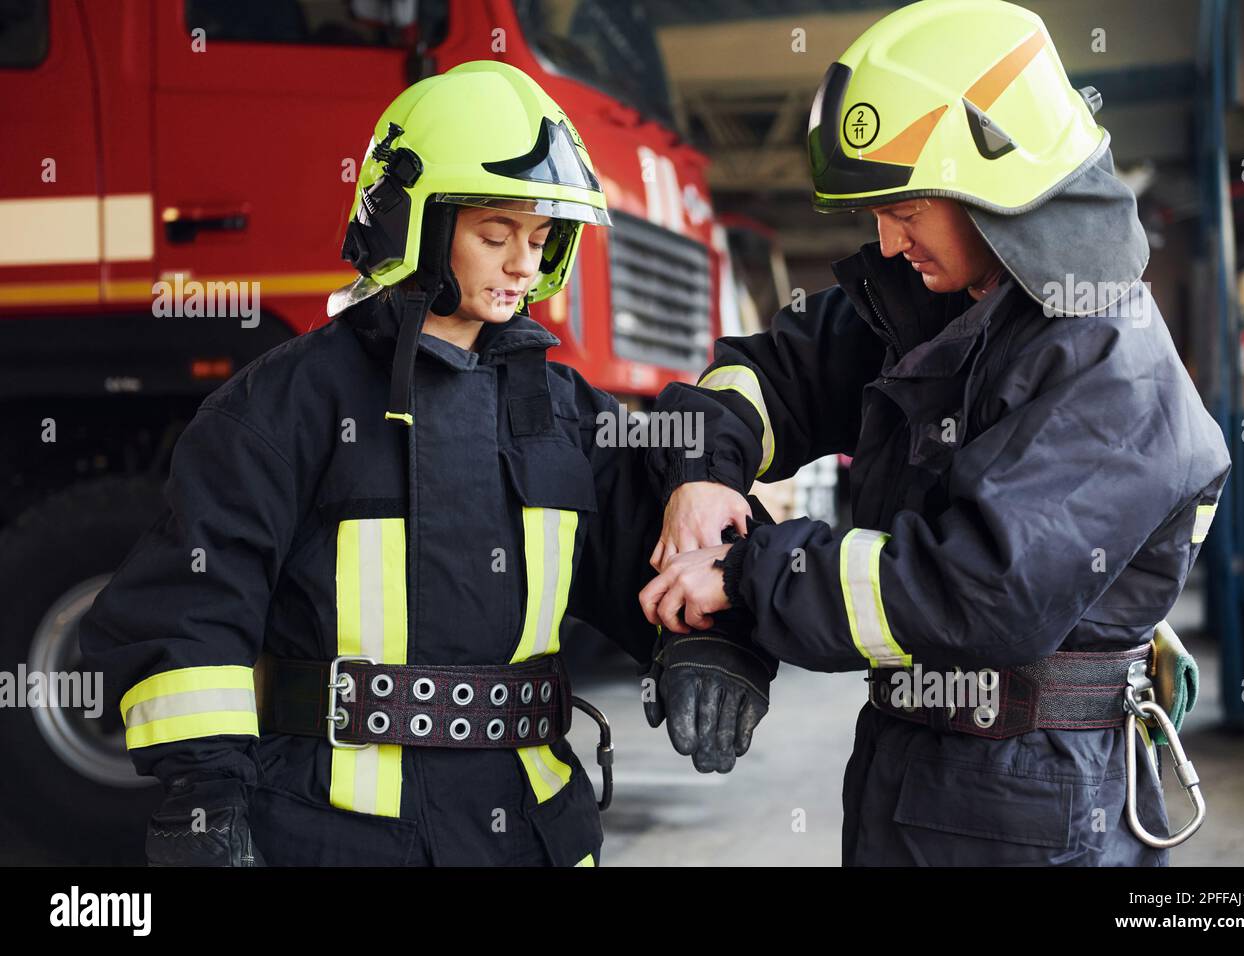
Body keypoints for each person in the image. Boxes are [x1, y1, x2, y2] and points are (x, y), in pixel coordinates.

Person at [79, 60, 771, 867]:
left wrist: (712, 646)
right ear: (411, 219)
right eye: (495, 234)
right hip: (334, 836)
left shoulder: (570, 412)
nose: (522, 264)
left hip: (538, 836)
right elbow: (189, 610)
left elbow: (662, 561)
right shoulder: (284, 405)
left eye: (541, 239)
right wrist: (204, 794)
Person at [639, 0, 1231, 865]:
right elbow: (767, 377)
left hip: (1041, 802)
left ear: (996, 182)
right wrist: (704, 473)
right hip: (909, 773)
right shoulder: (936, 307)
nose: (886, 239)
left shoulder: (1112, 361)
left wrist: (746, 577)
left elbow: (980, 591)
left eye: (906, 206)